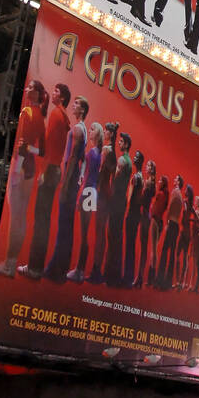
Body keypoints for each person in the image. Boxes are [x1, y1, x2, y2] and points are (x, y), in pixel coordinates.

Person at [0, 79, 46, 277]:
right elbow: (41, 150)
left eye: (31, 87)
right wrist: (27, 151)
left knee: (16, 216)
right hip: (30, 169)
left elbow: (23, 147)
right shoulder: (40, 116)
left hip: (21, 167)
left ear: (38, 94)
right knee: (20, 217)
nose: (26, 88)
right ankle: (11, 263)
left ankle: (9, 264)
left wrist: (16, 169)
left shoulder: (27, 113)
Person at [20, 82, 72, 279]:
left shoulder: (56, 115)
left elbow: (49, 146)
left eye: (57, 91)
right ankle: (37, 266)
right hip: (56, 170)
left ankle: (34, 268)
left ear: (63, 97)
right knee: (44, 220)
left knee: (40, 221)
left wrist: (42, 171)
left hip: (49, 170)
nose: (54, 92)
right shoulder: (64, 116)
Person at [43, 95, 89, 281]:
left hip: (69, 182)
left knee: (64, 225)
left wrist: (66, 183)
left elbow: (72, 160)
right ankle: (60, 268)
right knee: (66, 226)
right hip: (74, 180)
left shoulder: (78, 129)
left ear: (83, 110)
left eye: (77, 104)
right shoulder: (83, 129)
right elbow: (82, 160)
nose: (74, 105)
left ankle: (56, 268)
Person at [68, 121, 104, 283]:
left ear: (98, 134)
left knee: (83, 234)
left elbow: (88, 176)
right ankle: (80, 269)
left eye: (92, 129)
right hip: (93, 192)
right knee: (85, 233)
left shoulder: (92, 153)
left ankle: (79, 270)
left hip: (88, 191)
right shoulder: (99, 152)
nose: (89, 131)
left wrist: (80, 196)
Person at [88, 123, 118, 283]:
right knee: (100, 232)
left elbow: (101, 173)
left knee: (99, 233)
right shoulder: (111, 151)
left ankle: (96, 270)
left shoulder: (107, 151)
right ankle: (97, 269)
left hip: (101, 194)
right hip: (105, 194)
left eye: (106, 130)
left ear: (111, 134)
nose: (104, 132)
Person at [104, 132, 133, 286]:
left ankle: (110, 275)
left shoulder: (123, 160)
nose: (120, 143)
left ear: (127, 144)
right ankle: (113, 274)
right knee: (117, 237)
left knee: (112, 236)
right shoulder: (129, 162)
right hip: (121, 202)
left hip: (116, 200)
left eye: (122, 142)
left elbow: (114, 177)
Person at [122, 150, 144, 288]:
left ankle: (128, 278)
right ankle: (128, 277)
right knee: (130, 245)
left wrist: (126, 209)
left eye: (137, 157)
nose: (134, 158)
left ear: (140, 161)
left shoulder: (137, 177)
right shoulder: (140, 176)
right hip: (135, 214)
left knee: (129, 245)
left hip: (132, 214)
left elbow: (130, 197)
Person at [157, 174, 184, 289]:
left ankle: (160, 280)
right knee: (172, 253)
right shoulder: (181, 196)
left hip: (172, 224)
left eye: (176, 179)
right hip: (176, 224)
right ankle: (168, 282)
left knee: (164, 251)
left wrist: (167, 221)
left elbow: (170, 207)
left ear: (178, 182)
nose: (174, 180)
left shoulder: (174, 192)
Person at [133, 158, 156, 288]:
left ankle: (140, 277)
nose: (146, 167)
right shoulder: (150, 182)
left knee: (143, 247)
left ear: (152, 169)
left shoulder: (149, 183)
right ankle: (140, 277)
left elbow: (143, 200)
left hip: (144, 216)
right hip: (145, 215)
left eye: (148, 165)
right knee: (143, 247)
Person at [148, 175, 169, 286]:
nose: (158, 181)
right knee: (154, 249)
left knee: (153, 250)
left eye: (160, 180)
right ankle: (152, 276)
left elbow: (154, 209)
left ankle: (151, 276)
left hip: (155, 220)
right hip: (160, 221)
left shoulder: (160, 194)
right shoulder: (165, 195)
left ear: (163, 183)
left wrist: (151, 208)